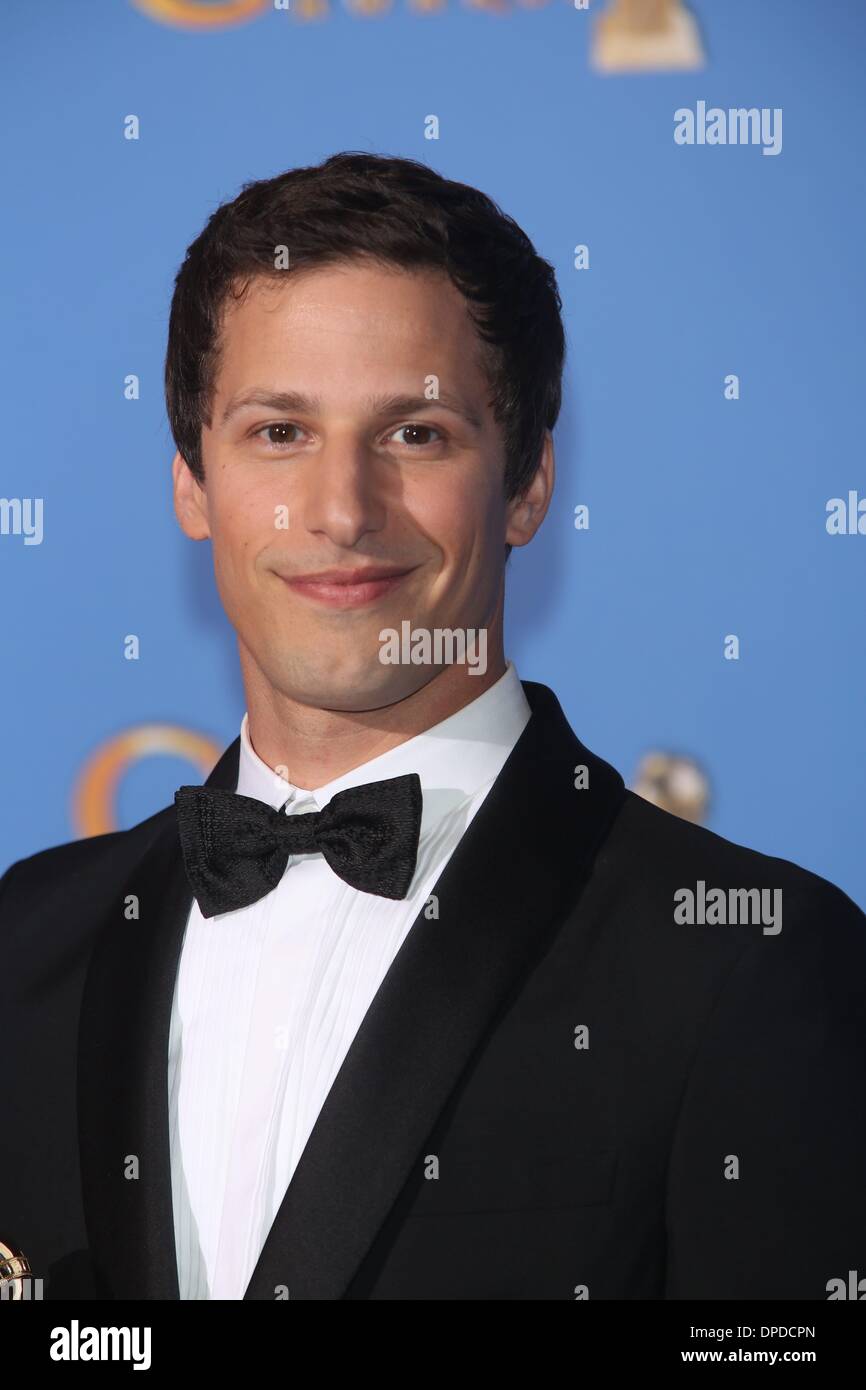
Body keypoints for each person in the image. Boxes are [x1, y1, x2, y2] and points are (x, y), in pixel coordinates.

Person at [1, 152, 864, 1301]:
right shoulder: (25, 946)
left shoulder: (742, 959)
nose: (342, 510)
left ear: (525, 487)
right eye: (277, 432)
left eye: (415, 433)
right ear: (191, 485)